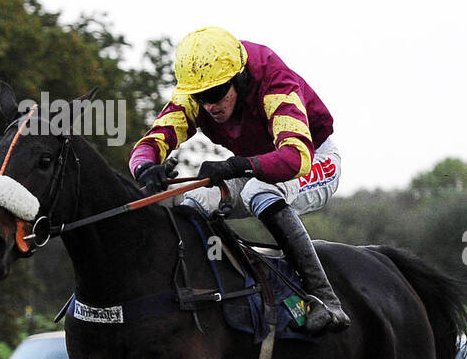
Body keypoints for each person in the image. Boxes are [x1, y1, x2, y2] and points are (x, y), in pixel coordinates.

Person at [129, 26, 350, 334]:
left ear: (240, 79)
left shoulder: (275, 82)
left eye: (216, 95)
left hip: (313, 159)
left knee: (259, 191)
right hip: (254, 166)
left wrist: (236, 165)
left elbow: (295, 158)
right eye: (201, 97)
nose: (210, 106)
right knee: (195, 200)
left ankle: (325, 300)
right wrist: (145, 168)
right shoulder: (201, 87)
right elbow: (148, 144)